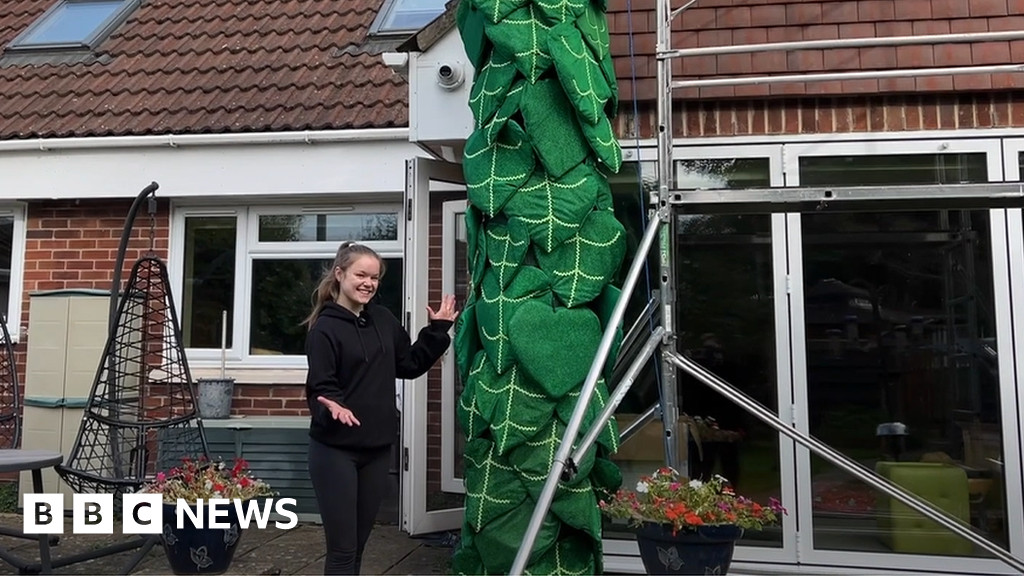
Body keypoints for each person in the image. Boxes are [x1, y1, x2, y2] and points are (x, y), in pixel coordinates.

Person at [303, 241, 457, 575]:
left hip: (376, 450)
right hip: (334, 452)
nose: (368, 283)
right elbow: (322, 387)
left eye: (374, 278)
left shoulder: (382, 320)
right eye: (361, 274)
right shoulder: (324, 329)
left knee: (358, 547)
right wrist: (330, 406)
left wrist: (438, 331)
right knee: (342, 551)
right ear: (340, 274)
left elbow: (409, 364)